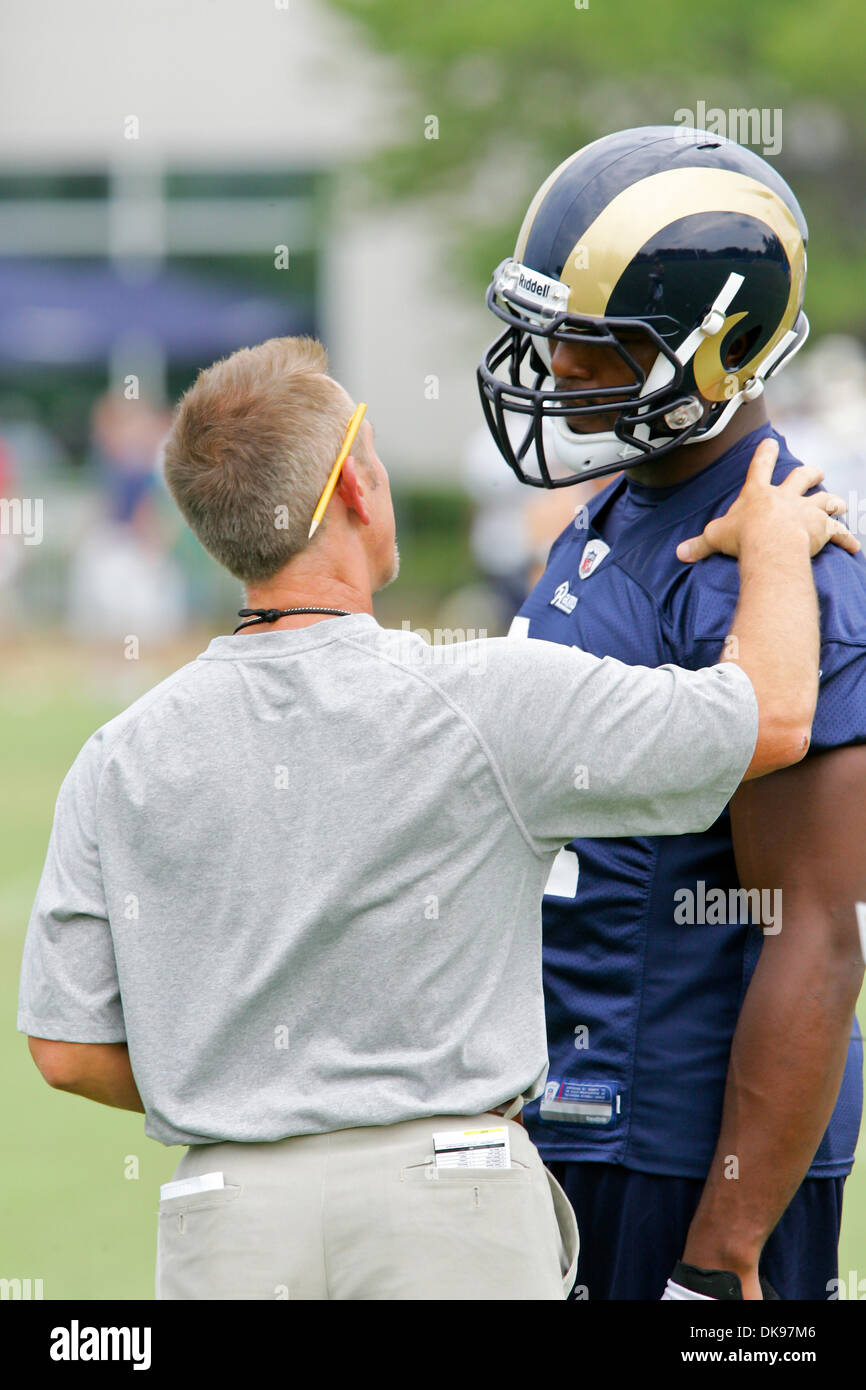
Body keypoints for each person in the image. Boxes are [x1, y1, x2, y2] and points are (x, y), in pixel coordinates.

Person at [19, 336, 851, 1301]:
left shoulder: (118, 756)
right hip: (449, 1202)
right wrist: (780, 548)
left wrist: (250, 1095)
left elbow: (68, 1051)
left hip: (222, 1212)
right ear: (357, 490)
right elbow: (776, 715)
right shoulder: (484, 695)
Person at [478, 124, 866, 1301]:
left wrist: (723, 1248)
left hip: (677, 1148)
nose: (553, 371)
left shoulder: (785, 575)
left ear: (717, 346)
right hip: (574, 1121)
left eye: (594, 348)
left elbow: (815, 932)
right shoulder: (618, 518)